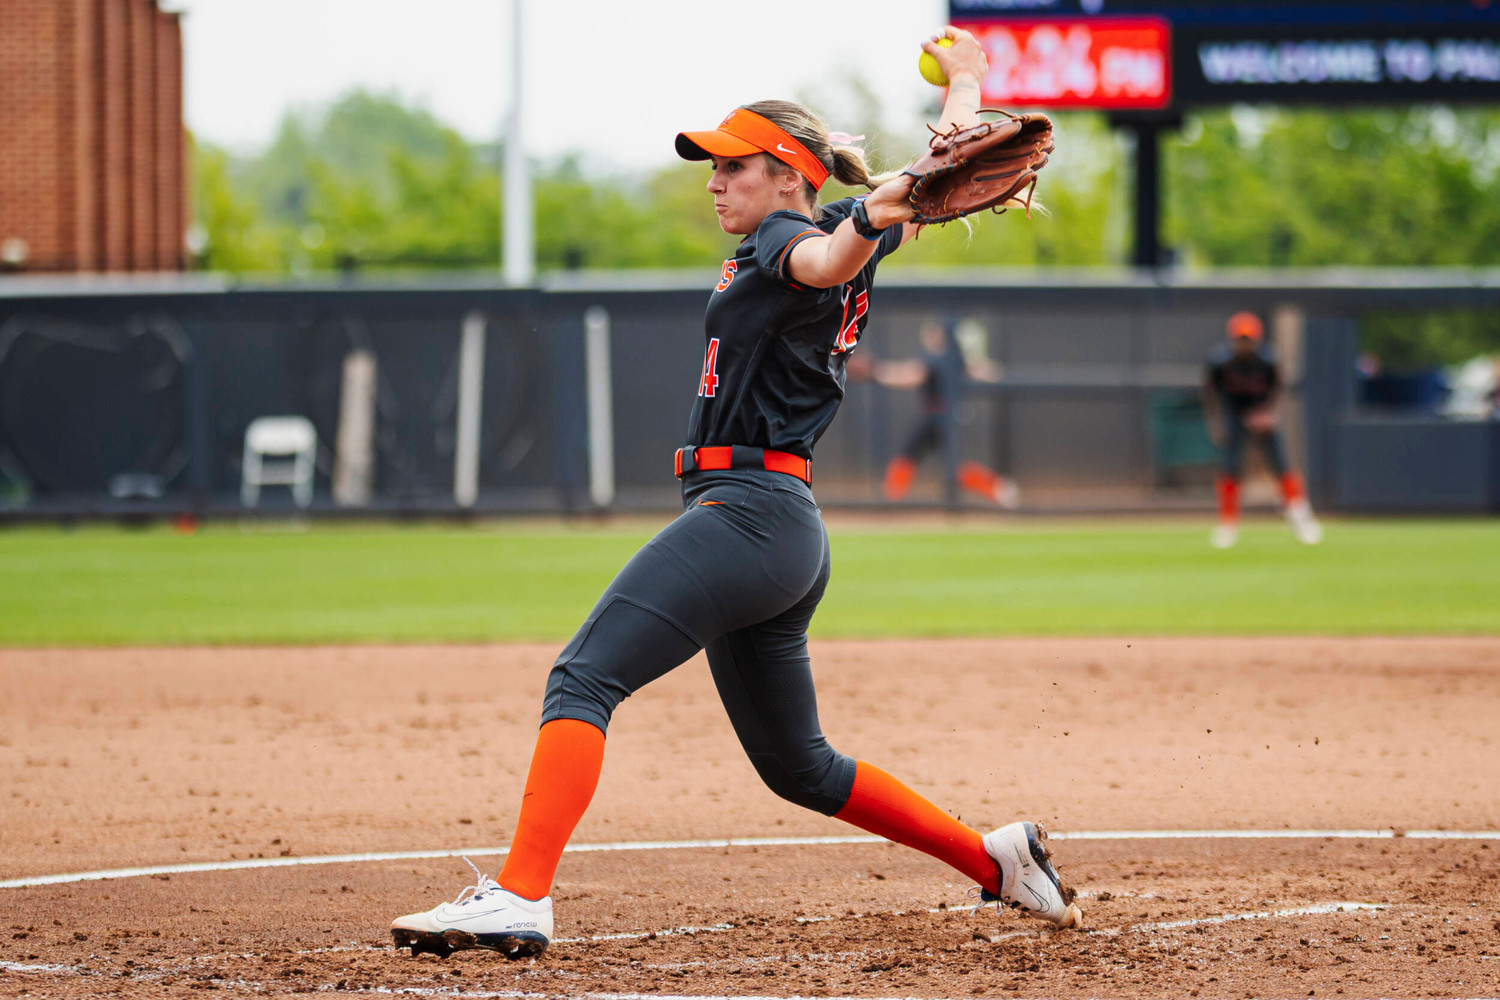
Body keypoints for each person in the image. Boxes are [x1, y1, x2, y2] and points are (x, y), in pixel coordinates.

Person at [389, 26, 1082, 960]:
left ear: (789, 175)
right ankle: (997, 862)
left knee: (582, 677)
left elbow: (831, 257)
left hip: (748, 517)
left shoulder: (790, 242)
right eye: (711, 166)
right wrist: (968, 81)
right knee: (799, 765)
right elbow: (934, 180)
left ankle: (519, 895)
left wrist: (870, 214)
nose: (715, 180)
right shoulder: (835, 223)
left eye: (734, 165)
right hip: (778, 529)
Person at [1202, 311, 1322, 548]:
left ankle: (1300, 517)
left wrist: (1268, 414)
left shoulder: (1268, 360)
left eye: (1248, 339)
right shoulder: (1220, 361)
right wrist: (1216, 424)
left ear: (1257, 340)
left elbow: (1279, 388)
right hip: (1234, 415)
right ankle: (1228, 525)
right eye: (1240, 338)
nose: (1244, 344)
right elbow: (1210, 394)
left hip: (1262, 414)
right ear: (1232, 339)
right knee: (1230, 468)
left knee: (1281, 465)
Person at [871, 319, 1019, 508]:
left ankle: (998, 489)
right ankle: (891, 497)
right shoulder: (952, 357)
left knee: (941, 464)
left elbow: (910, 375)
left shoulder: (939, 358)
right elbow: (980, 370)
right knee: (915, 457)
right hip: (941, 418)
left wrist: (876, 372)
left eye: (932, 333)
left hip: (939, 418)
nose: (928, 337)